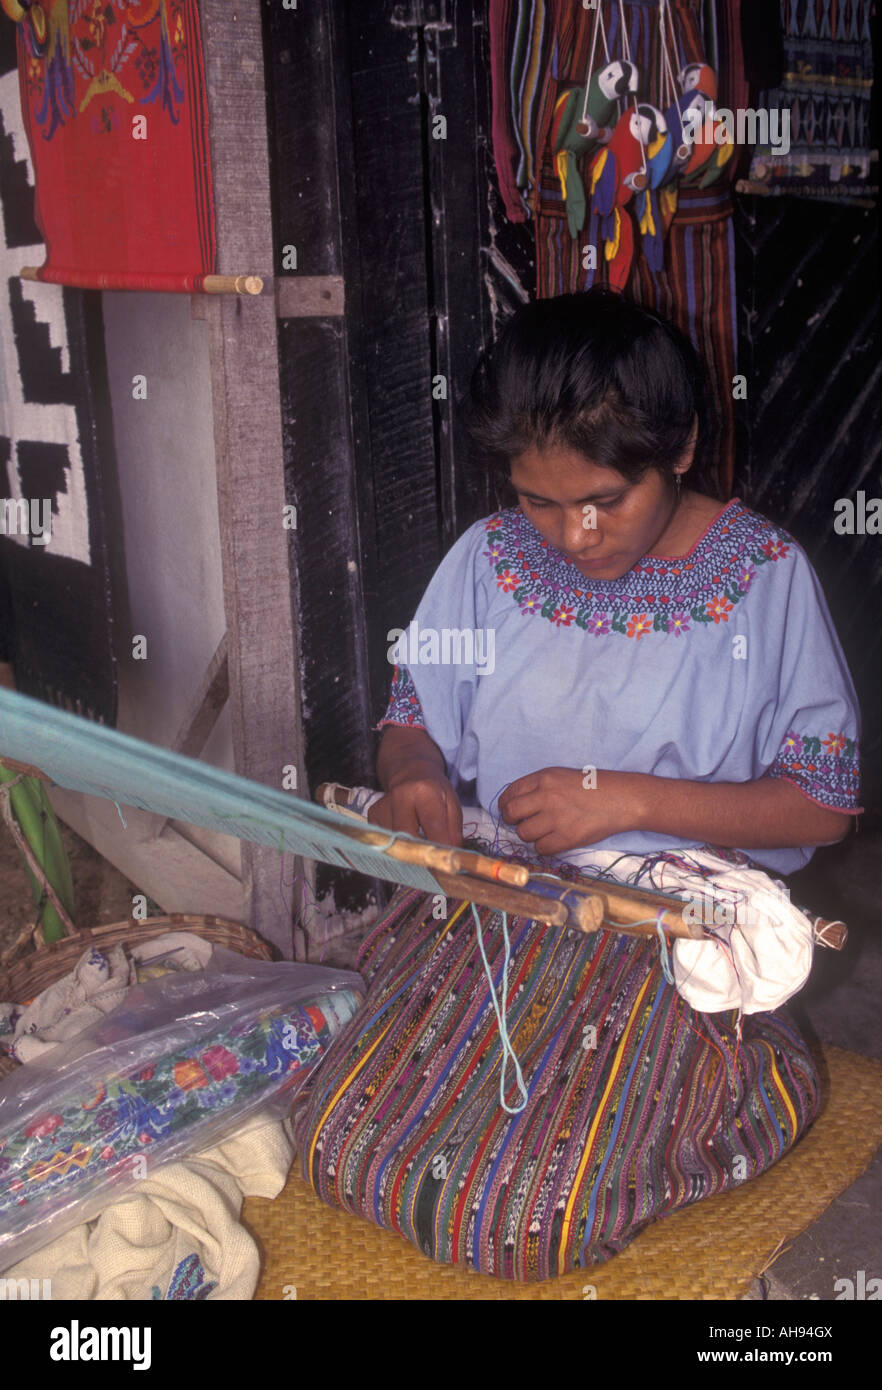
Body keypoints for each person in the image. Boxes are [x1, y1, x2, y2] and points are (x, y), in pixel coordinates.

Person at [293, 288, 862, 1282]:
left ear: (679, 449)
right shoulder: (487, 563)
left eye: (605, 500)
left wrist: (628, 799)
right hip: (498, 910)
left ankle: (752, 1075)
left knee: (520, 1212)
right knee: (329, 1128)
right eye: (539, 501)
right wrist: (416, 779)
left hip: (659, 934)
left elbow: (823, 799)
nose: (574, 535)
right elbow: (413, 713)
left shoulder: (764, 581)